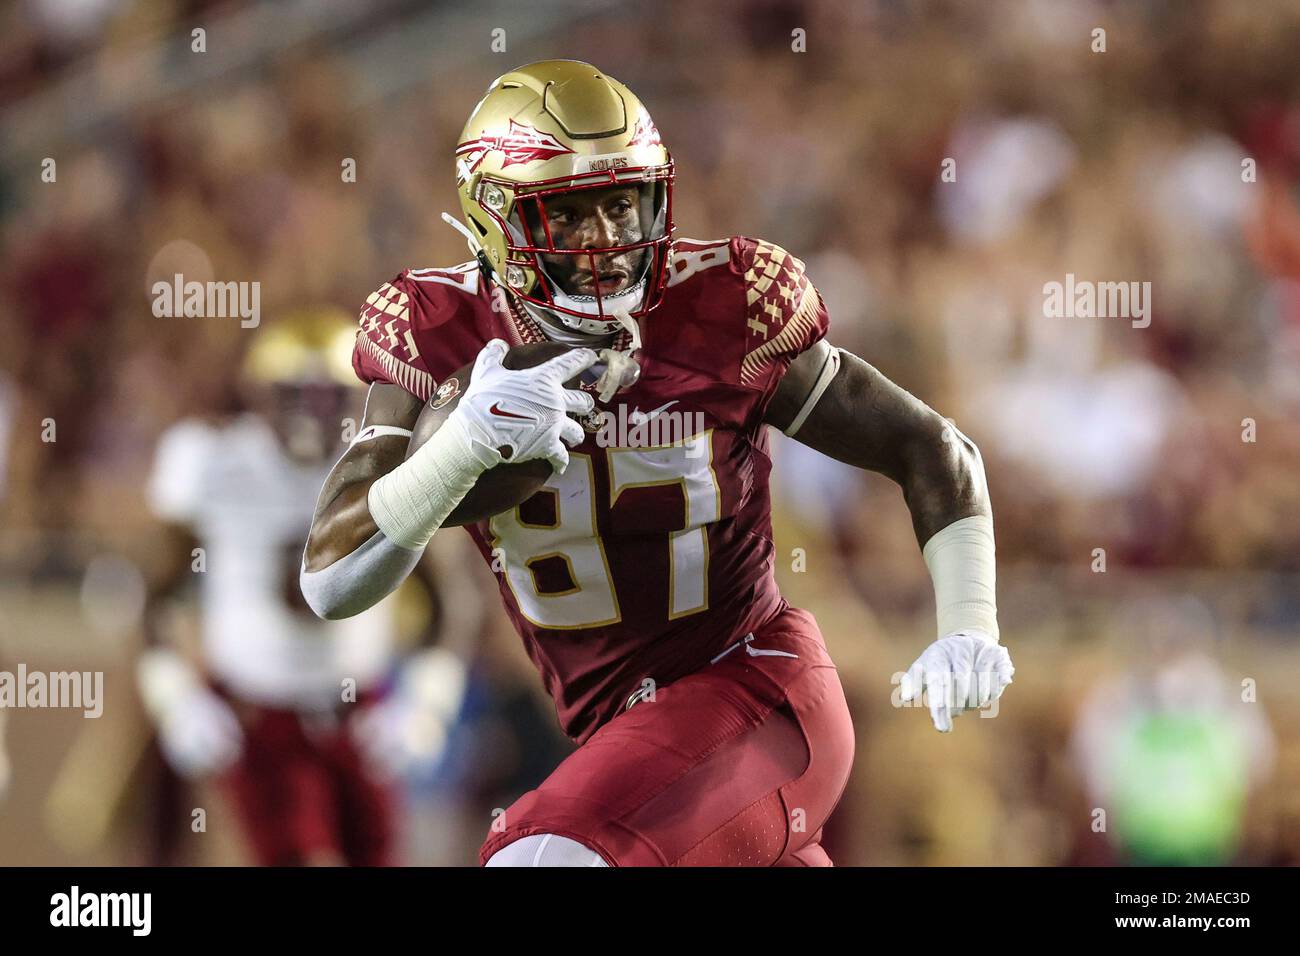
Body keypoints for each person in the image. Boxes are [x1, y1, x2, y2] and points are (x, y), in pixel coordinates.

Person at [301, 60, 1013, 866]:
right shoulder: (438, 332)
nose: (608, 242)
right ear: (494, 217)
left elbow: (928, 445)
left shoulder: (725, 305)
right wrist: (461, 451)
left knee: (544, 860)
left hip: (760, 691)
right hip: (639, 746)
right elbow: (330, 582)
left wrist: (969, 623)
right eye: (571, 215)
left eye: (622, 204)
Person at [141, 310, 474, 865]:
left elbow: (451, 598)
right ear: (257, 395)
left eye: (328, 398)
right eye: (295, 396)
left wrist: (425, 703)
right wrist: (174, 696)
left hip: (358, 711)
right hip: (259, 711)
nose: (312, 417)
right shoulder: (211, 459)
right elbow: (156, 596)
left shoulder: (391, 460)